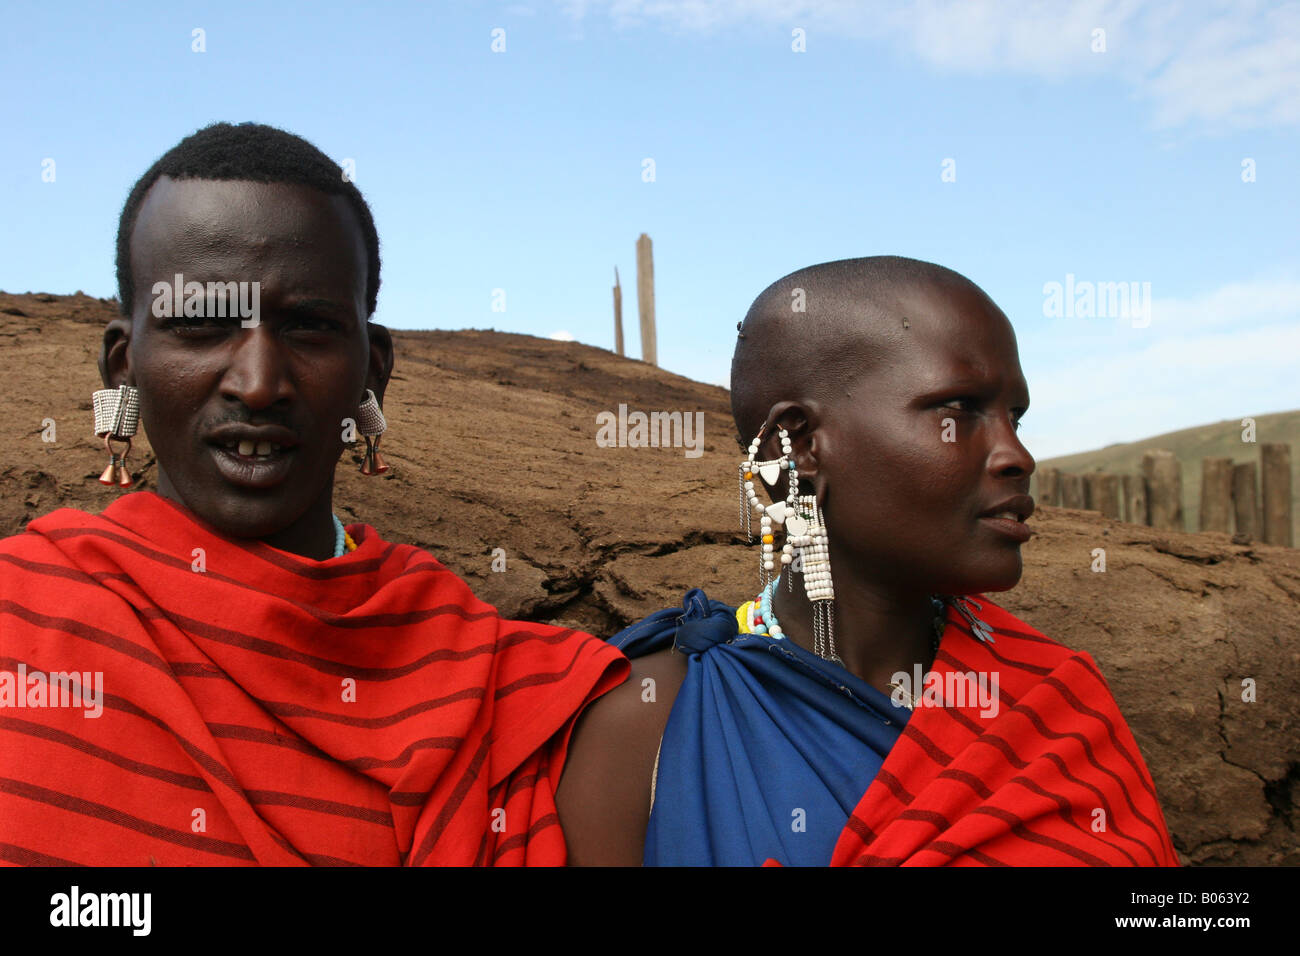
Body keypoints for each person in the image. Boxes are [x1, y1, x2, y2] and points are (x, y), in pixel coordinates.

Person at [0, 122, 626, 866]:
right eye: (201, 327)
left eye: (309, 327)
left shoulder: (511, 687)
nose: (258, 384)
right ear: (123, 368)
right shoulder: (21, 618)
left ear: (373, 372)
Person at [556, 256, 1180, 866]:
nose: (1018, 455)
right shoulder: (654, 719)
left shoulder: (1052, 703)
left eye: (1013, 416)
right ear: (798, 445)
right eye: (958, 409)